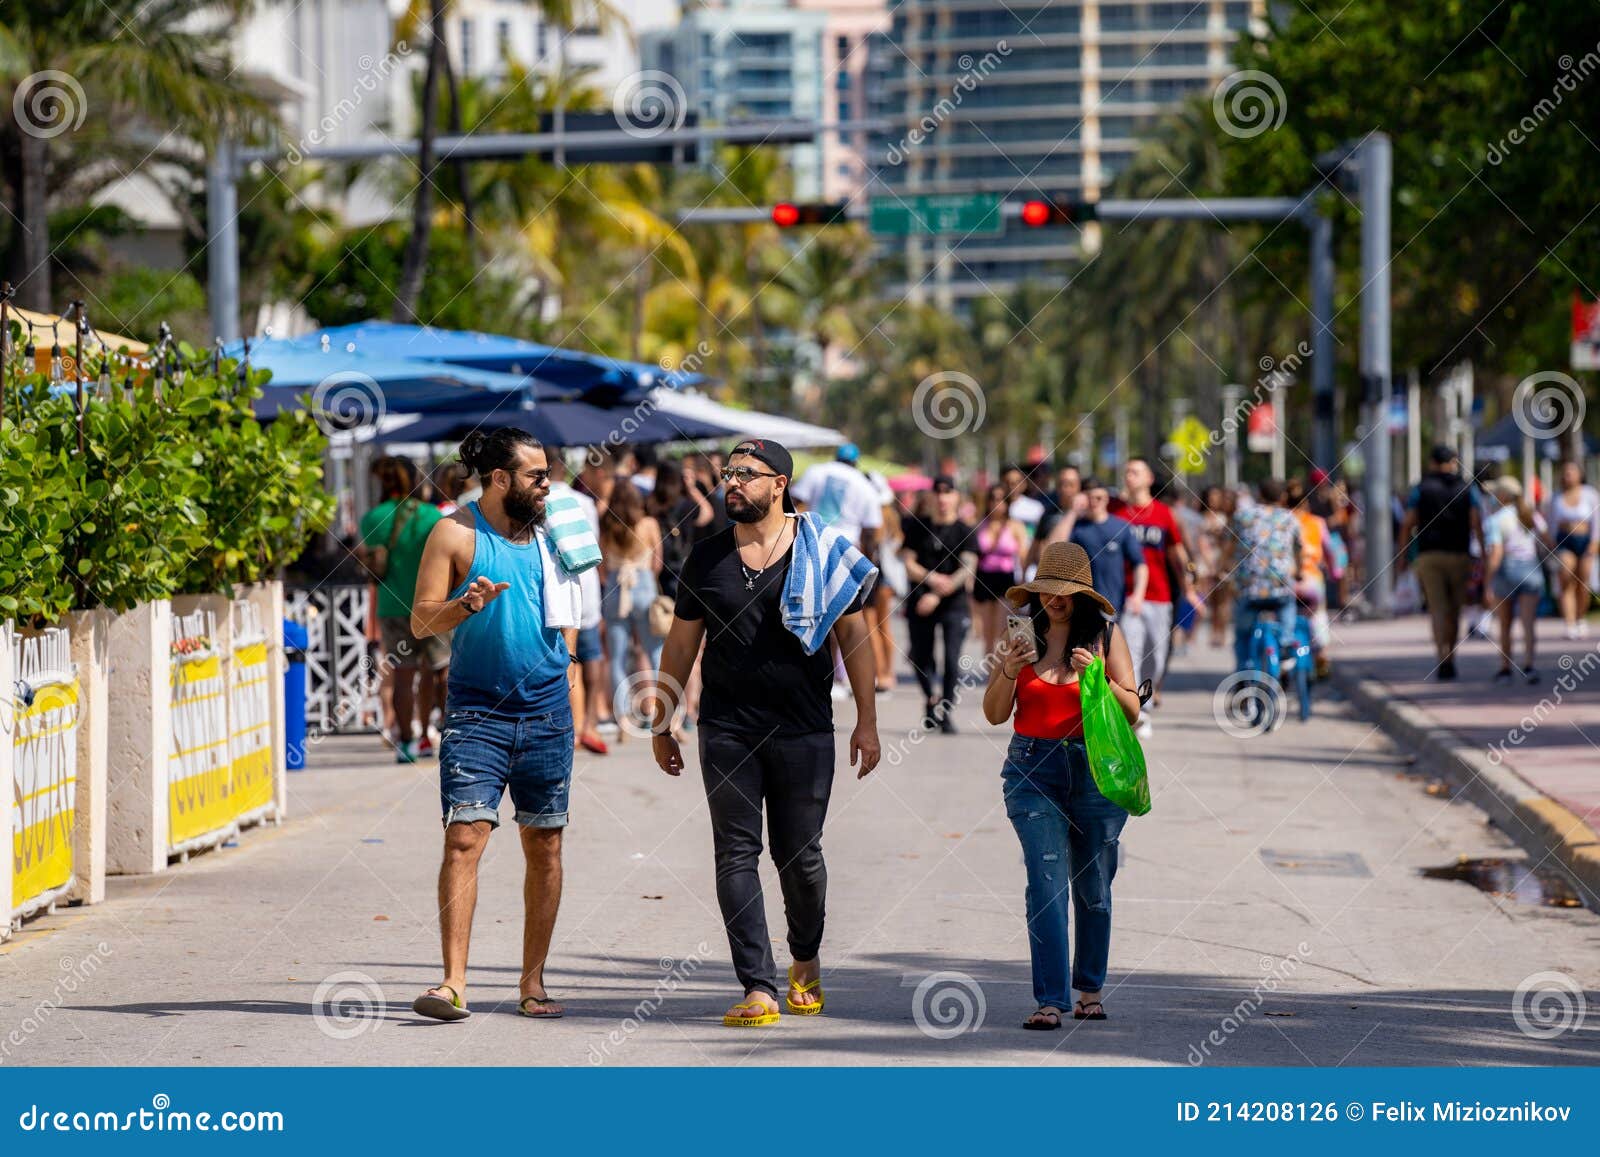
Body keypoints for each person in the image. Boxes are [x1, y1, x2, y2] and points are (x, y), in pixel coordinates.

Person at [651, 438, 881, 1028]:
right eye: (728, 473)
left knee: (800, 857)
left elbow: (852, 639)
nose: (733, 483)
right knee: (735, 853)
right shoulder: (706, 558)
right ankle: (758, 985)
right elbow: (681, 645)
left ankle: (804, 958)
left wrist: (867, 721)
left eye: (746, 474)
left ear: (779, 483)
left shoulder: (821, 552)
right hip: (726, 728)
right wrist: (663, 720)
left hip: (804, 730)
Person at [407, 428, 581, 1022]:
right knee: (464, 837)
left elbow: (572, 601)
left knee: (546, 844)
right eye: (536, 474)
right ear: (500, 479)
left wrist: (573, 660)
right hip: (477, 711)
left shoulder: (556, 530)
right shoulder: (454, 532)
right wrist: (465, 604)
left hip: (547, 711)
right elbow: (421, 623)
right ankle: (453, 982)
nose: (547, 482)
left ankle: (532, 983)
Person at [982, 542, 1140, 1029]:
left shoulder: (1105, 638)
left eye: (1064, 594)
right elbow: (993, 714)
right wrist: (1008, 669)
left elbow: (1132, 713)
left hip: (1095, 770)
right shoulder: (1021, 639)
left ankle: (1088, 990)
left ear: (1083, 597)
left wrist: (1101, 680)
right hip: (1033, 770)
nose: (1054, 602)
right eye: (1046, 593)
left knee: (1093, 889)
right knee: (1046, 884)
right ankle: (1049, 999)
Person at [357, 456, 445, 762]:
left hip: (392, 606)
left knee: (403, 677)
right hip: (432, 604)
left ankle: (406, 741)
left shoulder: (372, 519)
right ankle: (446, 735)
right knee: (441, 672)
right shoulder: (432, 515)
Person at [1111, 458, 1196, 733]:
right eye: (1126, 472)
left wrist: (1189, 586)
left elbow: (1175, 553)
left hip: (1160, 596)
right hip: (1126, 596)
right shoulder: (1116, 511)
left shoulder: (1163, 513)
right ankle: (1136, 711)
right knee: (1131, 652)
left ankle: (1144, 701)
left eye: (1135, 471)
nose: (1129, 476)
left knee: (1156, 657)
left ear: (1149, 478)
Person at [1400, 445, 1486, 679]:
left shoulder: (1421, 489)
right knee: (1455, 611)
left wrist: (1403, 555)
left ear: (1432, 463)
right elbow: (1476, 523)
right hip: (1460, 555)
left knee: (1437, 609)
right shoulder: (1467, 488)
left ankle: (1441, 656)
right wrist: (1484, 556)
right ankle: (1451, 657)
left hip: (1429, 556)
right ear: (1453, 462)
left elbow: (1408, 523)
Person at [902, 474, 978, 733]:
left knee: (952, 658)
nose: (943, 498)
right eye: (938, 492)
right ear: (932, 497)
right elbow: (909, 562)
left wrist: (938, 593)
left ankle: (945, 710)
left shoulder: (964, 531)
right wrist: (931, 580)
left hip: (952, 604)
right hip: (919, 600)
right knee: (921, 656)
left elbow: (967, 568)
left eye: (948, 492)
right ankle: (929, 697)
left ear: (956, 496)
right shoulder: (916, 526)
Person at [549, 451, 611, 754]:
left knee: (564, 659)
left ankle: (570, 727)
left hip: (555, 591)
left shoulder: (540, 502)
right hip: (586, 586)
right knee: (592, 654)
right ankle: (589, 723)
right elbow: (593, 546)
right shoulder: (584, 502)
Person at [599, 480, 665, 731]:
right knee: (654, 652)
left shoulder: (607, 524)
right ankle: (660, 710)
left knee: (617, 656)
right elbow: (657, 563)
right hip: (644, 585)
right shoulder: (649, 524)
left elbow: (602, 566)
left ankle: (624, 716)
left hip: (617, 587)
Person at [1230, 478, 1303, 671]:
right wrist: (1300, 572)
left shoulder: (1242, 516)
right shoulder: (1290, 518)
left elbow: (1229, 547)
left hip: (1248, 588)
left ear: (1259, 495)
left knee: (1243, 636)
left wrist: (1224, 569)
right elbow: (1299, 550)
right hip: (1280, 587)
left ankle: (1242, 673)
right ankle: (1286, 642)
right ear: (1283, 496)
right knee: (1287, 608)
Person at [1483, 476, 1548, 684]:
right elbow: (1548, 541)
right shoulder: (1530, 515)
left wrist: (1487, 582)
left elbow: (1496, 555)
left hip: (1507, 571)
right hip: (1531, 569)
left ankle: (1505, 669)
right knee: (1529, 623)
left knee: (1505, 624)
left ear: (1502, 495)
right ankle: (1529, 666)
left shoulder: (1497, 519)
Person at [1068, 477, 1147, 617]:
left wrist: (1138, 595)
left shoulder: (1121, 527)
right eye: (1089, 498)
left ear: (1106, 498)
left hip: (1113, 606)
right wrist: (1073, 511)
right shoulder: (1076, 527)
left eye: (1098, 498)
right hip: (1082, 605)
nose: (1094, 502)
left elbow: (1139, 563)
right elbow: (1053, 547)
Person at [1543, 460, 1599, 639]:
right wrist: (1551, 543)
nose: (1568, 476)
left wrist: (1594, 542)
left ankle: (1580, 617)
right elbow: (1551, 522)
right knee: (1565, 578)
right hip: (1564, 541)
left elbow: (1596, 520)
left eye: (1571, 472)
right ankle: (1569, 622)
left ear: (1579, 474)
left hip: (1585, 540)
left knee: (1583, 583)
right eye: (1565, 472)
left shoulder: (1589, 494)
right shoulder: (1556, 497)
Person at [972, 484, 1028, 659]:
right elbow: (973, 555)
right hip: (983, 578)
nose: (996, 503)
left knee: (1002, 628)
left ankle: (1002, 667)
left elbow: (1023, 556)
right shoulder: (981, 525)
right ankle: (989, 671)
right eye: (993, 499)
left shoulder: (1015, 526)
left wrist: (1023, 584)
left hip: (1005, 578)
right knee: (986, 630)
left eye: (1000, 499)